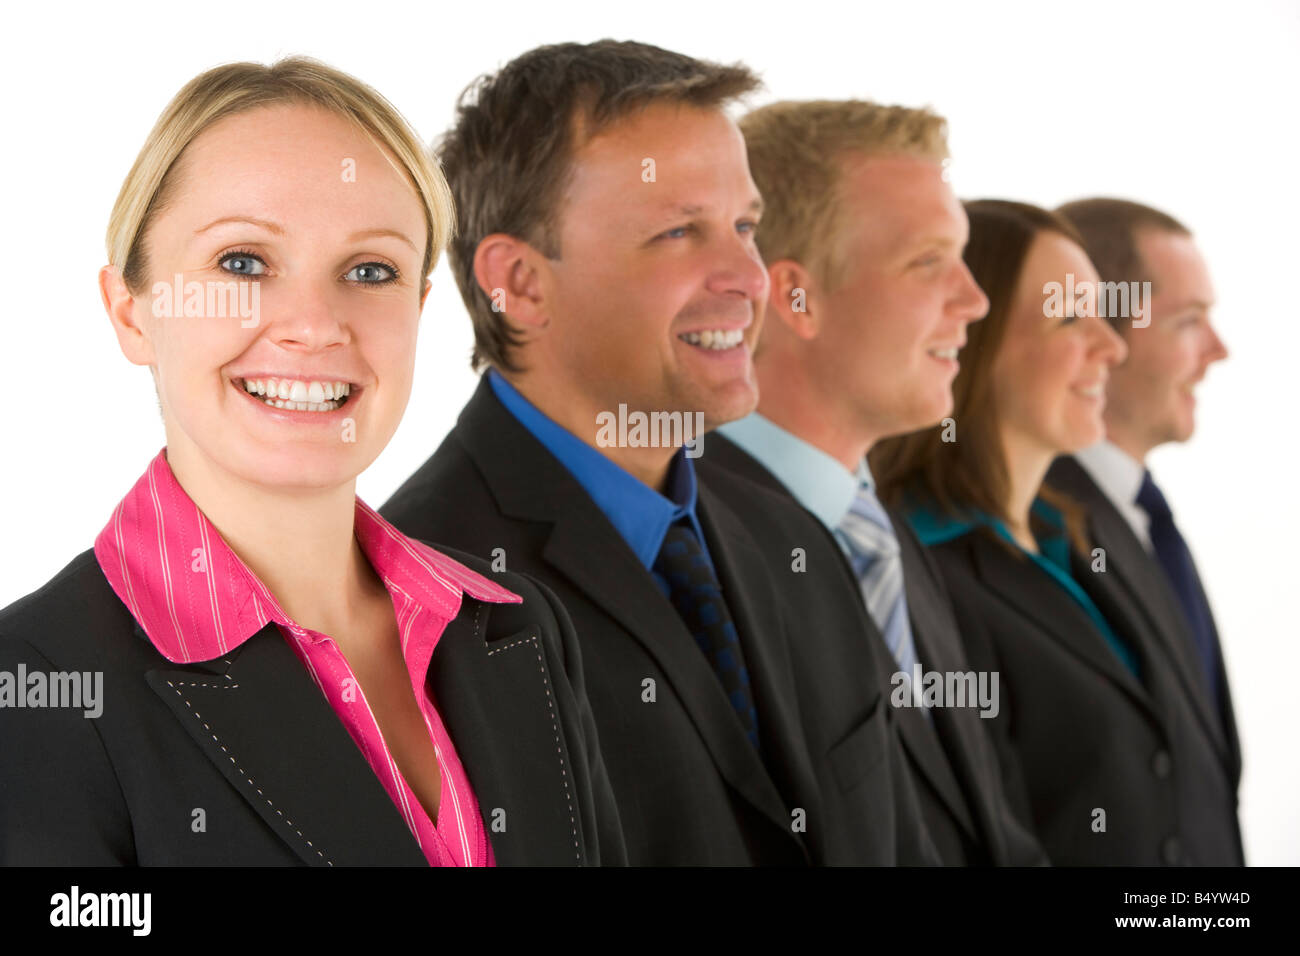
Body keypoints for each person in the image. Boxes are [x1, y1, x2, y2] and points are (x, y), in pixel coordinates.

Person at [0, 57, 623, 866]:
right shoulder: (34, 690)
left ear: (420, 310)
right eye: (243, 263)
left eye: (370, 271)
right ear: (132, 312)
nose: (314, 324)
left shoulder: (518, 624)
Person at [381, 40, 937, 865]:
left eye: (745, 226)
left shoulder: (796, 542)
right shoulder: (425, 601)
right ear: (520, 283)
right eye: (680, 231)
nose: (749, 277)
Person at [705, 100, 1045, 865]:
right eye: (929, 261)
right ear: (796, 298)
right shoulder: (689, 554)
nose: (975, 301)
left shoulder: (876, 531)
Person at [872, 200, 1241, 864]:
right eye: (1072, 317)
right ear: (971, 341)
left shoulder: (1082, 538)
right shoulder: (912, 570)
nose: (1112, 346)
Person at [1051, 198, 1240, 826]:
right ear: (1099, 334)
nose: (1218, 350)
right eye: (1188, 321)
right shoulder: (1031, 531)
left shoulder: (1143, 517)